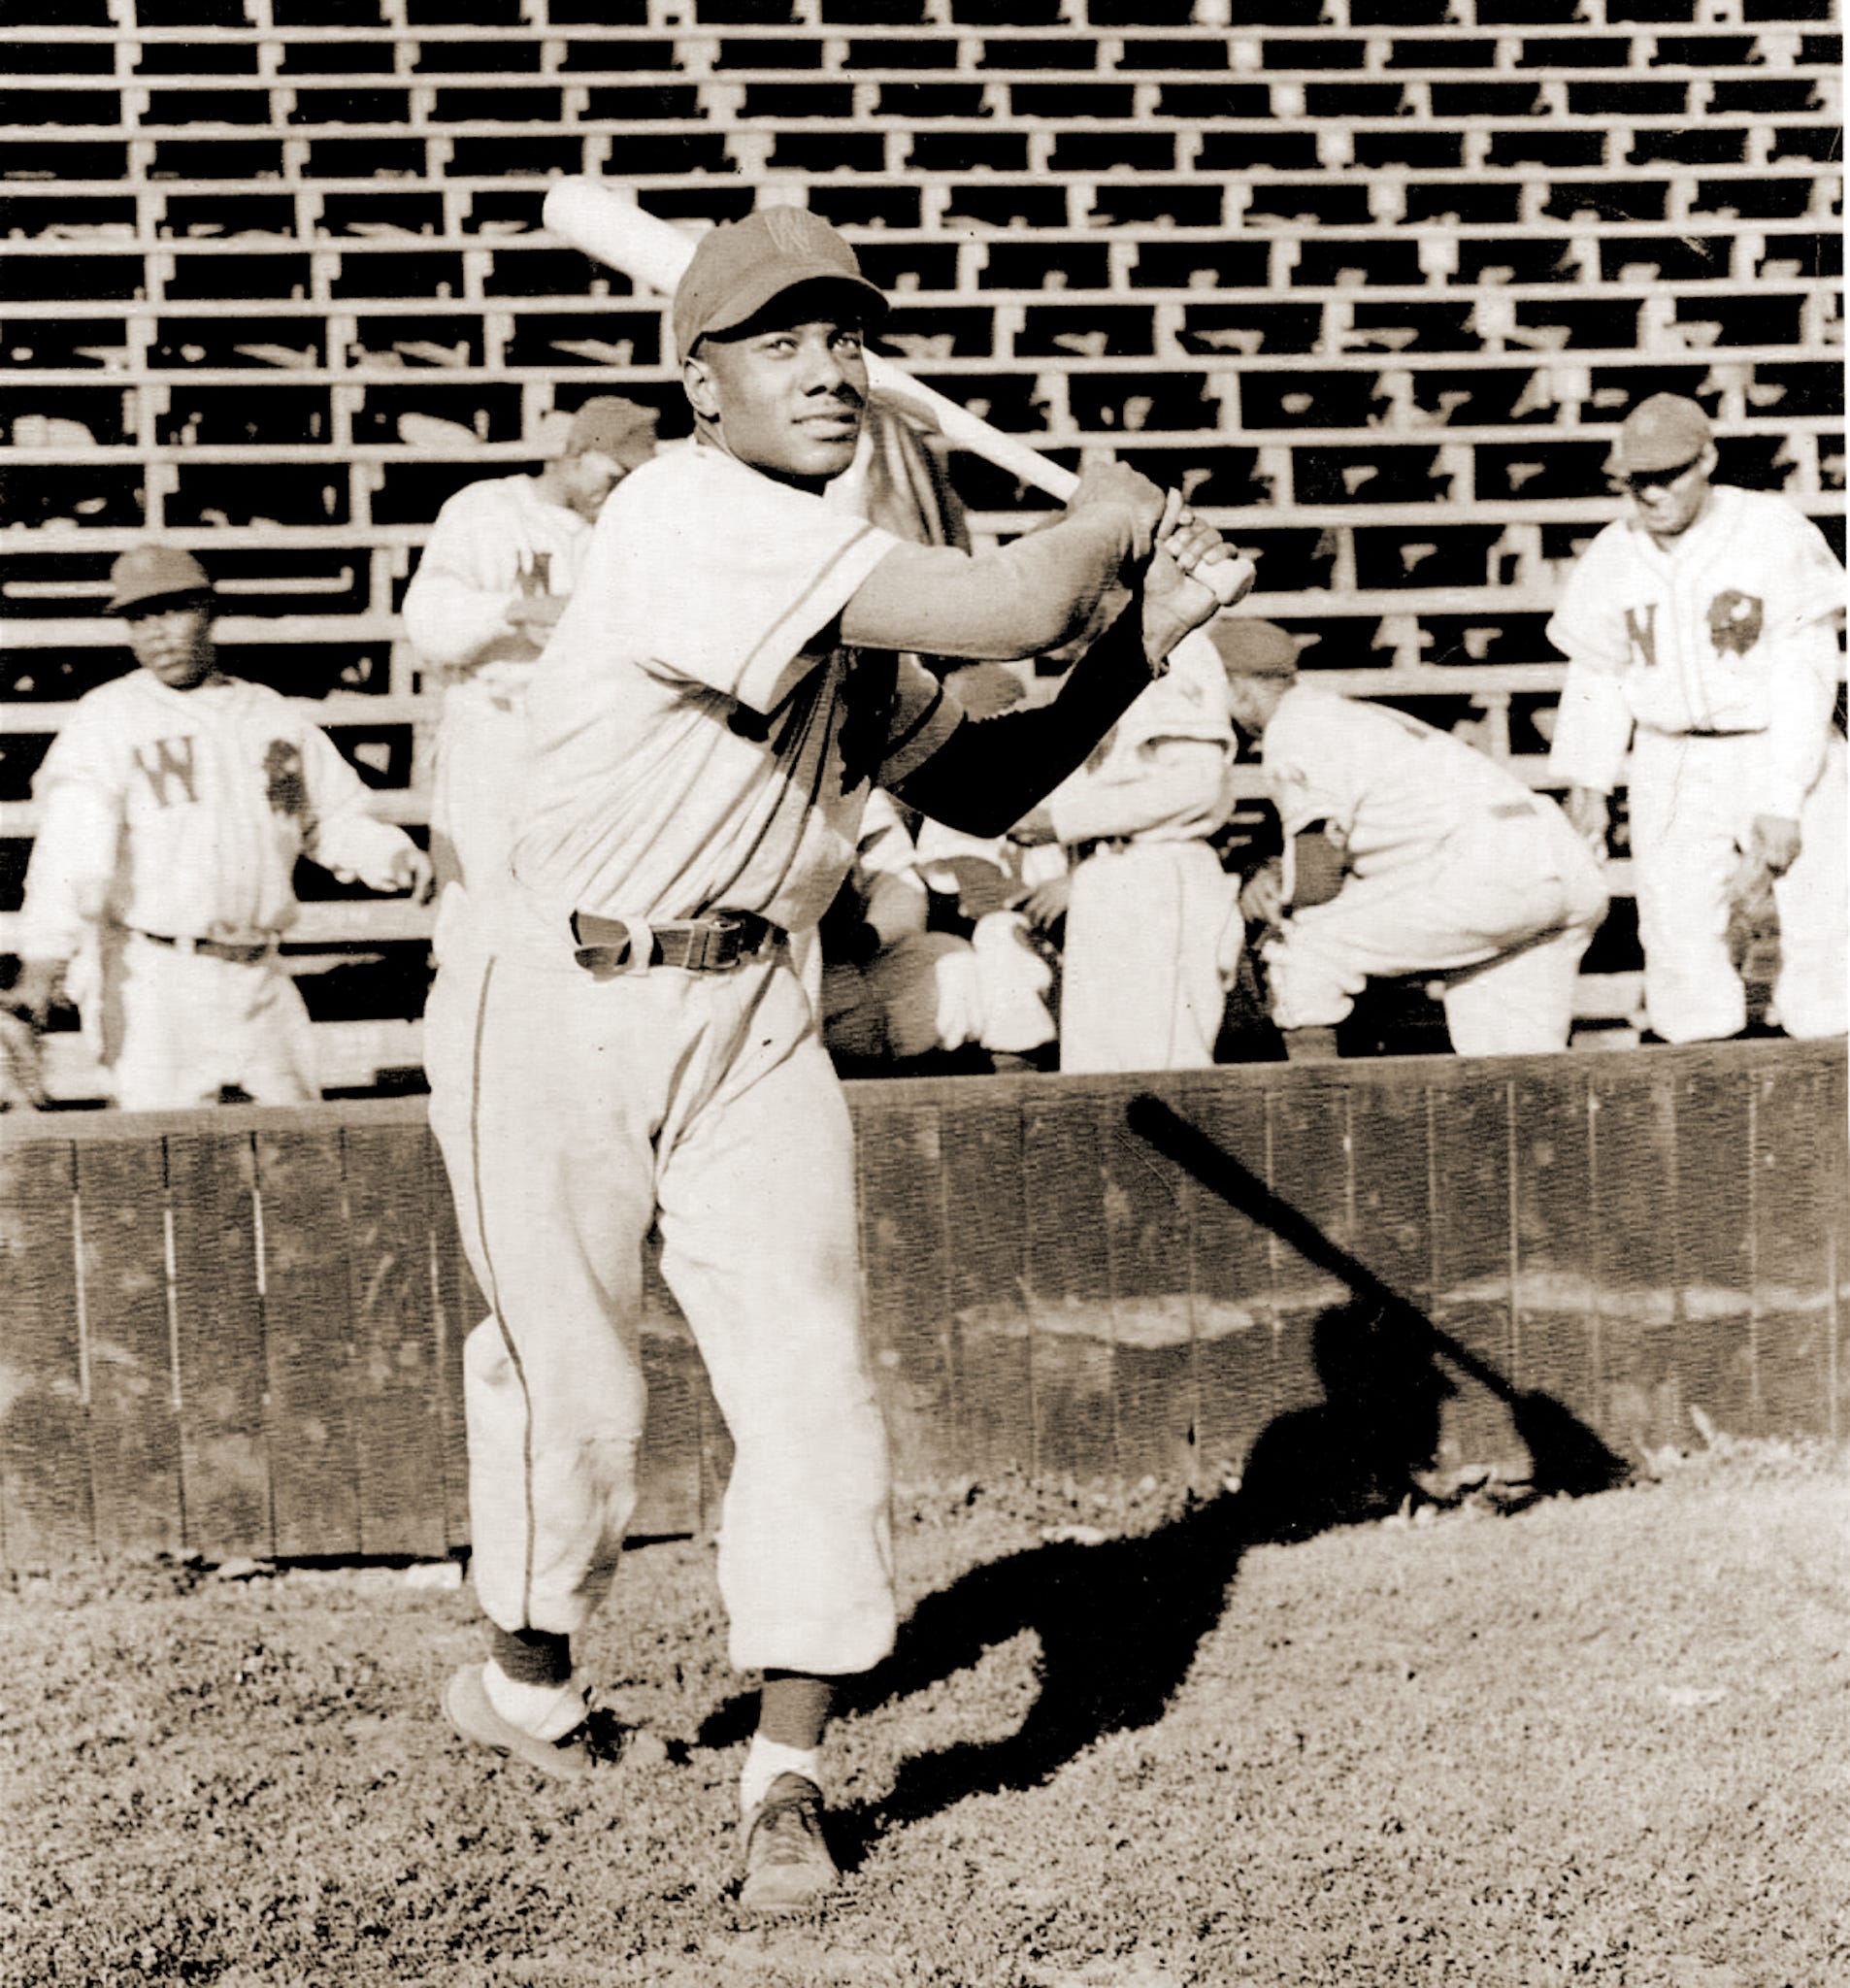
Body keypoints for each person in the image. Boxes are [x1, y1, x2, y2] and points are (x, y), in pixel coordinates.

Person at [419, 205, 1249, 1914]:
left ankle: (786, 1766)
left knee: (812, 1371)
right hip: (552, 988)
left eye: (844, 337)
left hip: (754, 1000)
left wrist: (1135, 642)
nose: (825, 366)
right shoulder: (683, 510)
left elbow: (992, 780)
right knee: (574, 1381)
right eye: (776, 340)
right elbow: (1005, 584)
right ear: (701, 385)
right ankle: (525, 1671)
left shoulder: (829, 552)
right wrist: (1096, 523)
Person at [8, 545, 432, 1110]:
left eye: (173, 610)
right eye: (141, 617)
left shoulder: (271, 715)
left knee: (297, 1150)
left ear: (209, 611)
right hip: (156, 977)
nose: (158, 632)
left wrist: (390, 854)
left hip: (259, 971)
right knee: (163, 1158)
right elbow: (69, 855)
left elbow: (329, 818)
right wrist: (41, 970)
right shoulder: (107, 718)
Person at [1545, 392, 1846, 1043]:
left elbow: (1808, 669)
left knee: (1824, 927)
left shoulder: (1772, 531)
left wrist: (1784, 797)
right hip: (1671, 752)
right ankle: (1706, 1103)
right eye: (1637, 481)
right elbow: (1597, 670)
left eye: (1669, 475)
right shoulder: (1614, 552)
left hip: (1780, 741)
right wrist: (1589, 781)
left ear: (1707, 458)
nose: (1652, 494)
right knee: (1677, 932)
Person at [1217, 617, 1607, 1059]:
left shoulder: (1294, 728)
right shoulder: (1337, 713)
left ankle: (1314, 1113)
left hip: (1490, 871)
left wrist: (1264, 904)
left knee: (1302, 945)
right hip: (1555, 862)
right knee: (1511, 1072)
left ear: (1237, 688)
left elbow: (1318, 873)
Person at [401, 397, 659, 914]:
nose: (612, 492)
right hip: (493, 733)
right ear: (574, 453)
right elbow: (426, 618)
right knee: (481, 911)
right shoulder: (486, 508)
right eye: (610, 474)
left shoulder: (618, 529)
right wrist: (517, 610)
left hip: (581, 741)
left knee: (564, 914)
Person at [1006, 624, 1239, 1073]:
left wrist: (1058, 822)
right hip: (1108, 875)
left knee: (1163, 1068)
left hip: (1159, 874)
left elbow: (1196, 785)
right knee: (1098, 1074)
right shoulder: (1092, 664)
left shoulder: (1172, 646)